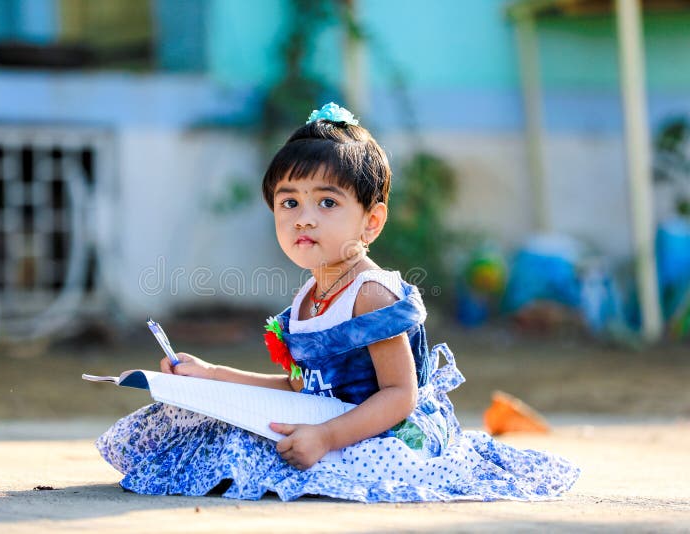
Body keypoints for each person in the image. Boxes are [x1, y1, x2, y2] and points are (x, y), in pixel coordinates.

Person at [96, 103, 580, 502]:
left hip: (382, 432)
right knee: (203, 420)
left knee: (259, 447)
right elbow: (303, 385)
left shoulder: (370, 294)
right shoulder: (310, 293)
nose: (304, 219)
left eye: (327, 203)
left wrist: (326, 438)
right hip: (324, 417)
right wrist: (214, 375)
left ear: (371, 222)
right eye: (290, 203)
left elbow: (398, 395)